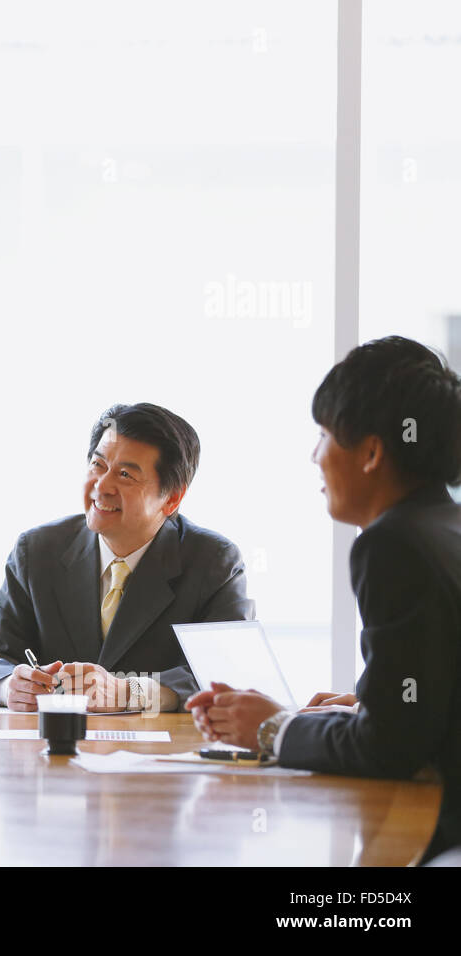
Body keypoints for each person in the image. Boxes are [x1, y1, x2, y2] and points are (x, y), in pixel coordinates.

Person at [188, 336, 461, 863]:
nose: (314, 456)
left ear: (372, 452)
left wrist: (270, 728)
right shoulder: (443, 526)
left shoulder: (393, 544)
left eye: (324, 435)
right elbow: (420, 711)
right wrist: (364, 705)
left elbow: (389, 748)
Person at [0, 403, 254, 713]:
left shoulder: (214, 562)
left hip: (160, 756)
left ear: (172, 498)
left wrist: (129, 692)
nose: (101, 486)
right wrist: (9, 686)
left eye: (125, 475)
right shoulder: (37, 551)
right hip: (52, 749)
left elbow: (225, 675)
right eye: (97, 465)